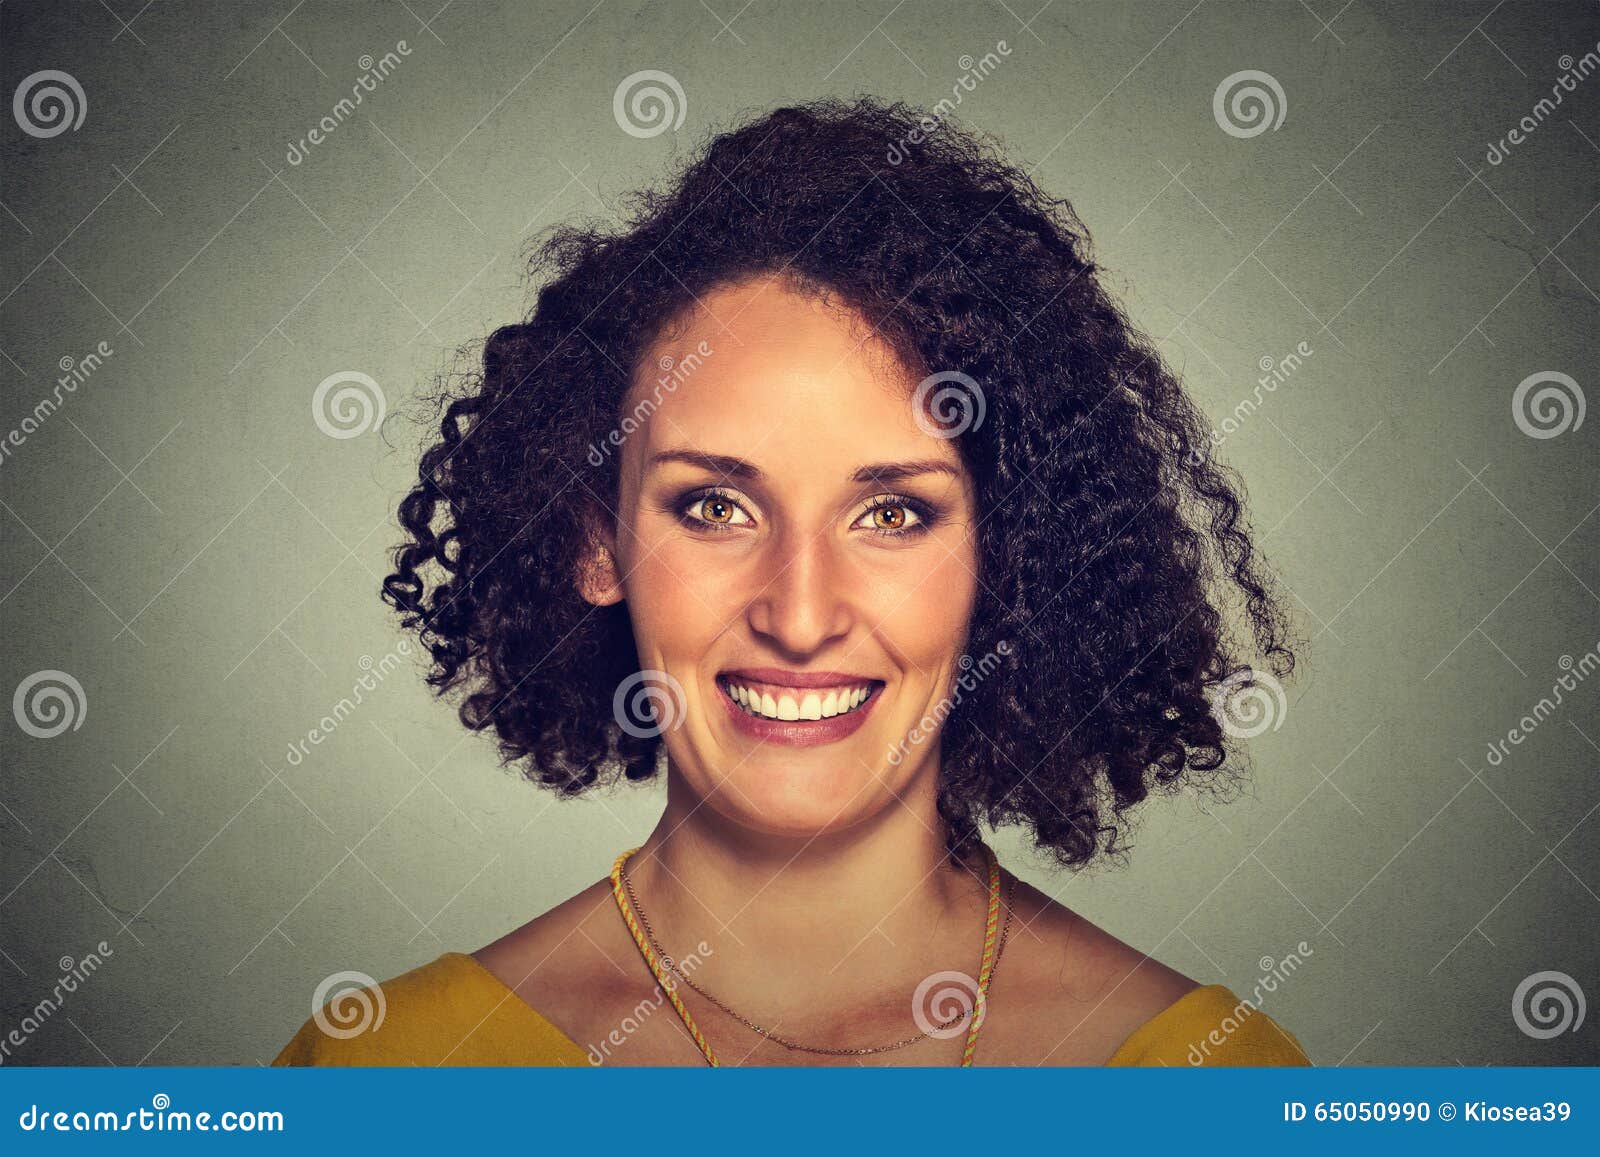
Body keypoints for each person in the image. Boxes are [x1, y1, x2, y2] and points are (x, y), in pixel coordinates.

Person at [273, 97, 1309, 1067]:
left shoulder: (1206, 1074)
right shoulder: (386, 1069)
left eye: (894, 513)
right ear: (596, 541)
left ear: (1009, 557)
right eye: (715, 507)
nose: (800, 615)